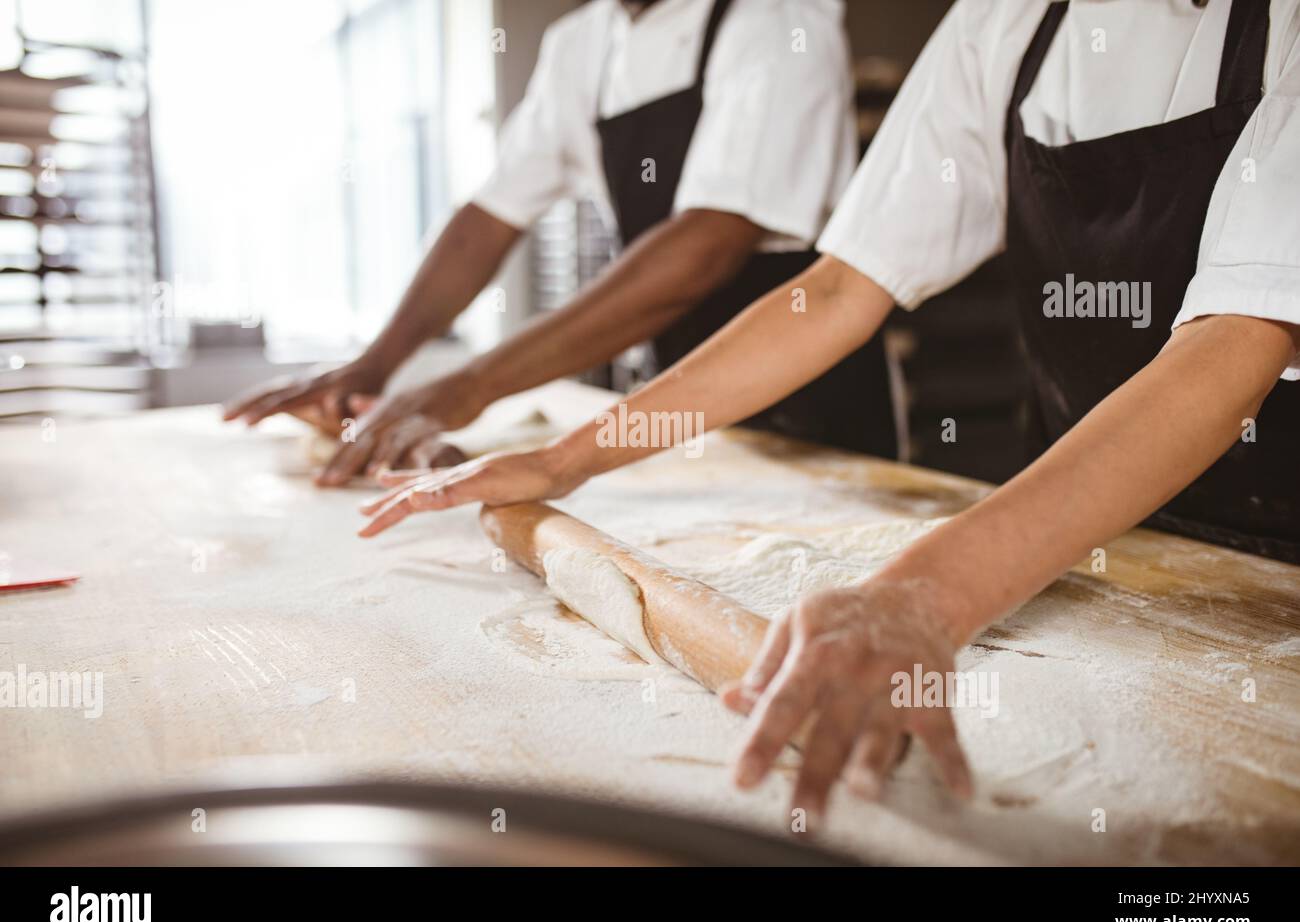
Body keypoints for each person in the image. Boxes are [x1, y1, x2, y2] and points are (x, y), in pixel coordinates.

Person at [355, 0, 1300, 825]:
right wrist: (569, 462)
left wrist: (920, 595)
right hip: (1087, 543)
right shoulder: (1004, 21)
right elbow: (844, 287)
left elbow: (1231, 349)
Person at [223, 0, 897, 483]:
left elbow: (708, 245)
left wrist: (471, 385)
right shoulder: (582, 42)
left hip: (808, 394)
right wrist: (377, 363)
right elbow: (489, 215)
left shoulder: (780, 20)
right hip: (678, 392)